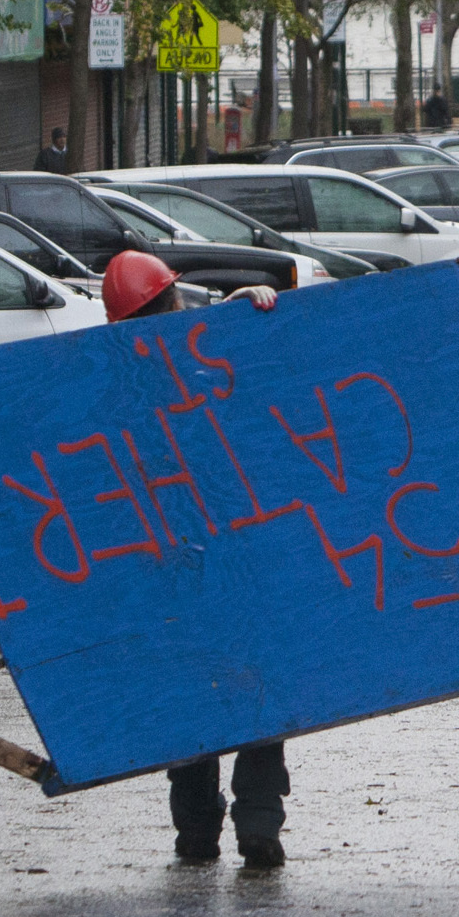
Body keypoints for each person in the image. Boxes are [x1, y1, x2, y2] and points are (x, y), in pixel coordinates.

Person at [99, 252, 288, 863]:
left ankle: (198, 833)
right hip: (224, 555)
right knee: (254, 682)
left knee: (192, 693)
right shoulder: (144, 372)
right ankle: (256, 826)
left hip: (175, 563)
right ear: (168, 303)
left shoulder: (104, 375)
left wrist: (247, 303)